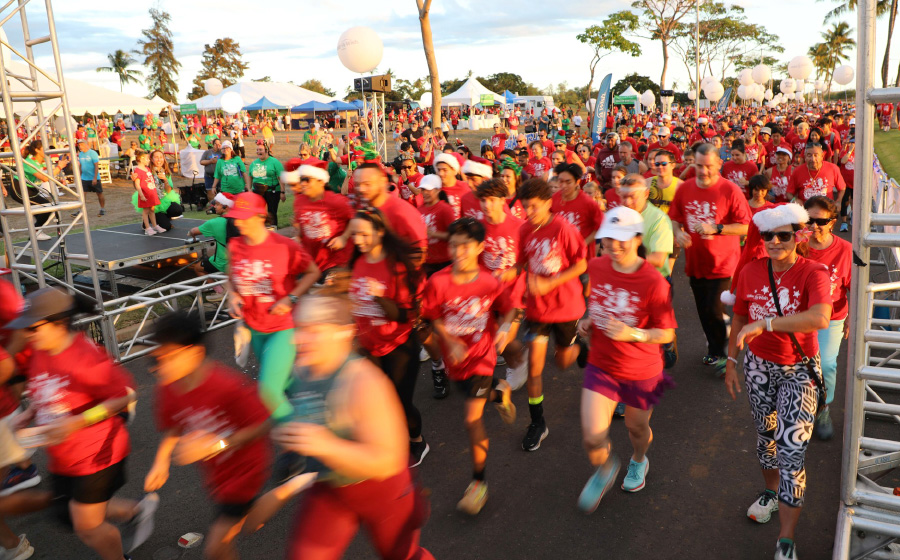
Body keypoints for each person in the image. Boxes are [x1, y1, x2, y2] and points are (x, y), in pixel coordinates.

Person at [272, 293, 434, 560]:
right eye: (299, 329)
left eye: (312, 330)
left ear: (343, 333)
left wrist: (325, 444)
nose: (297, 339)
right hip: (332, 487)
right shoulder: (303, 369)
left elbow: (387, 462)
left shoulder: (364, 383)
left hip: (383, 493)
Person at [6, 288, 157, 560]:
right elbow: (46, 387)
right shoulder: (42, 349)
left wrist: (76, 422)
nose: (27, 335)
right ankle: (135, 511)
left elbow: (122, 397)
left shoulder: (86, 358)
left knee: (88, 527)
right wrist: (29, 414)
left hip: (96, 455)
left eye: (32, 328)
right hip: (64, 455)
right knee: (66, 511)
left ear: (58, 322)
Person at [723, 203, 831, 560]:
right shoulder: (752, 271)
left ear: (798, 236)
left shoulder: (813, 271)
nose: (774, 242)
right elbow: (739, 315)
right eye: (768, 235)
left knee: (792, 449)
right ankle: (771, 494)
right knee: (766, 436)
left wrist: (766, 324)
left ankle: (786, 538)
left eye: (783, 235)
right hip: (757, 366)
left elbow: (819, 317)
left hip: (799, 369)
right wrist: (731, 361)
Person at [145, 311, 272, 560]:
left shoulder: (227, 385)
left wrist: (217, 444)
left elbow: (262, 424)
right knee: (233, 533)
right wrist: (161, 461)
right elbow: (174, 425)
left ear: (195, 353)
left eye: (168, 357)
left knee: (216, 546)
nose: (160, 367)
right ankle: (264, 506)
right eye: (157, 358)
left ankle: (278, 496)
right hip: (216, 475)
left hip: (245, 470)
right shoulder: (169, 388)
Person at [575, 206, 676, 513]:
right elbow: (599, 300)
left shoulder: (653, 281)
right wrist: (589, 318)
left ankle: (638, 460)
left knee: (636, 428)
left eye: (623, 239)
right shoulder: (597, 266)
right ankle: (605, 469)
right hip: (602, 363)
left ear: (637, 238)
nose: (615, 246)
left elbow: (667, 334)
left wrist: (634, 334)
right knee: (593, 437)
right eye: (609, 239)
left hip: (641, 369)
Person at [421, 217, 517, 514]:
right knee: (467, 391)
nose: (458, 251)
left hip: (482, 356)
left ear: (479, 247)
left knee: (471, 420)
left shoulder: (489, 281)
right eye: (453, 245)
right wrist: (448, 341)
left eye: (465, 246)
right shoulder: (438, 282)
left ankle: (478, 484)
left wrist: (505, 329)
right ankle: (497, 392)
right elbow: (433, 317)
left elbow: (509, 308)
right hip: (456, 361)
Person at [226, 192, 320, 422]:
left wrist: (291, 298)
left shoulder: (284, 246)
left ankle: (303, 442)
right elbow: (230, 277)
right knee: (286, 383)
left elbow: (313, 272)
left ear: (261, 216)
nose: (237, 222)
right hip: (255, 326)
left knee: (267, 393)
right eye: (235, 217)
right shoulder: (235, 245)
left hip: (283, 327)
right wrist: (232, 295)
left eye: (244, 217)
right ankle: (318, 407)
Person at [348, 209, 429, 467]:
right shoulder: (357, 262)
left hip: (398, 347)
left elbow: (407, 314)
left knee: (400, 403)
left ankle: (417, 441)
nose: (358, 239)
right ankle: (388, 442)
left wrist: (379, 297)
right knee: (375, 401)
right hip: (368, 346)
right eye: (354, 234)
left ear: (380, 232)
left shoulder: (397, 266)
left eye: (364, 234)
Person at [518, 178, 588, 451]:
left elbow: (581, 263)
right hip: (537, 309)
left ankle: (578, 348)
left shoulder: (563, 228)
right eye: (525, 207)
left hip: (566, 307)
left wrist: (551, 282)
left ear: (548, 203)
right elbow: (522, 262)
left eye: (534, 207)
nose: (528, 212)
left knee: (561, 363)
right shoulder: (524, 229)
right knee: (535, 368)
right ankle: (537, 422)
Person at [668, 143, 751, 372]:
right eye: (698, 166)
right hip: (696, 261)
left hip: (724, 263)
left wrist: (717, 228)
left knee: (715, 310)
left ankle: (725, 352)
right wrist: (677, 232)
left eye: (708, 166)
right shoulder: (684, 189)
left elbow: (746, 227)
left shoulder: (730, 190)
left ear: (719, 164)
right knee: (704, 311)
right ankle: (715, 350)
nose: (703, 171)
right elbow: (674, 217)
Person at [804, 196, 851, 441]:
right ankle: (799, 406)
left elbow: (854, 284)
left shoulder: (844, 249)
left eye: (820, 221)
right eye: (809, 220)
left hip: (832, 317)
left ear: (832, 222)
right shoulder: (796, 244)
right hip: (799, 315)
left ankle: (823, 407)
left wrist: (852, 317)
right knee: (797, 365)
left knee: (826, 363)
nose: (814, 226)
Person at [476, 179, 529, 390]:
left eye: (491, 200)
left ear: (502, 200)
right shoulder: (477, 227)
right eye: (482, 200)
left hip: (513, 294)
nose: (486, 205)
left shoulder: (519, 226)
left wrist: (512, 273)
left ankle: (519, 365)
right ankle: (517, 360)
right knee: (492, 338)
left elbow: (526, 260)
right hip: (487, 293)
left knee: (503, 338)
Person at [289, 162, 354, 282]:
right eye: (301, 179)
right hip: (312, 261)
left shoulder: (336, 201)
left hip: (335, 262)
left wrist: (344, 238)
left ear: (320, 181)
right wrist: (297, 237)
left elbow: (355, 219)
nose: (303, 183)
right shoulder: (300, 202)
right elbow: (301, 228)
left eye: (307, 180)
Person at [551, 163, 604, 257]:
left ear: (577, 182)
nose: (563, 186)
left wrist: (582, 244)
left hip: (582, 258)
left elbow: (601, 226)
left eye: (568, 182)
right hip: (559, 256)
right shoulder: (554, 199)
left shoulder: (588, 203)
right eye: (560, 181)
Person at [249, 142, 285, 227]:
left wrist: (282, 192)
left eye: (260, 150)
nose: (258, 152)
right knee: (257, 212)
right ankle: (260, 231)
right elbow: (250, 177)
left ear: (266, 151)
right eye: (257, 150)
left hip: (272, 191)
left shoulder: (274, 162)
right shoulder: (254, 163)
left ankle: (273, 230)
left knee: (271, 212)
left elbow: (281, 177)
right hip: (257, 191)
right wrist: (249, 189)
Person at [132, 150, 164, 236]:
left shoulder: (147, 169)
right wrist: (141, 195)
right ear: (141, 159)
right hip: (145, 194)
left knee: (152, 209)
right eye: (147, 158)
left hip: (151, 193)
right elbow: (137, 184)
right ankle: (147, 227)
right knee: (146, 211)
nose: (149, 160)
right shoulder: (138, 171)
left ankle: (155, 225)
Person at [76, 139, 105, 217]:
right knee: (82, 194)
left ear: (86, 144)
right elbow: (80, 165)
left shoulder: (93, 153)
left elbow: (96, 166)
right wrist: (79, 176)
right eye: (79, 145)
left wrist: (95, 177)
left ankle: (102, 209)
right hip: (84, 178)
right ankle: (81, 210)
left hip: (93, 177)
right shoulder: (80, 154)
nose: (80, 146)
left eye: (81, 144)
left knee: (99, 193)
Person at [201, 139, 223, 205]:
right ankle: (213, 205)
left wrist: (222, 150)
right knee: (210, 192)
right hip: (209, 175)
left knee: (222, 191)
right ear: (212, 145)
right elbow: (201, 162)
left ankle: (221, 205)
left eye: (219, 144)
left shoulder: (222, 152)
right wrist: (210, 161)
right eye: (216, 144)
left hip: (220, 176)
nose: (217, 146)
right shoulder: (207, 152)